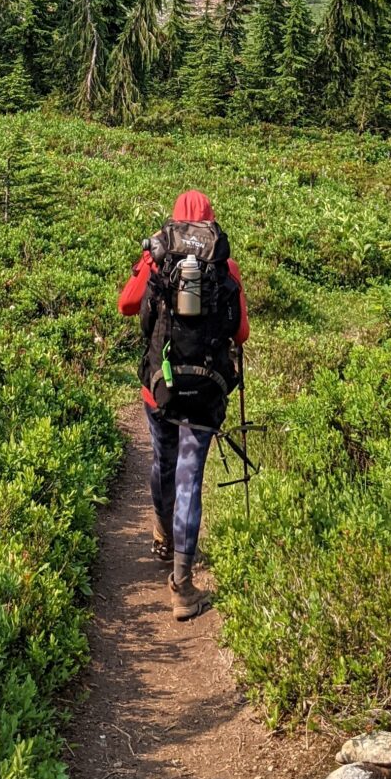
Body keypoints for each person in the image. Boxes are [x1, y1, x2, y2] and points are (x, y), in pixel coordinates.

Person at [119, 188, 249, 619]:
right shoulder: (224, 266)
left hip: (160, 387)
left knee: (163, 461)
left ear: (173, 222)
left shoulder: (158, 257)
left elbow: (127, 304)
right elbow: (242, 333)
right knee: (190, 477)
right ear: (210, 222)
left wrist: (148, 264)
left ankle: (161, 531)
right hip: (207, 389)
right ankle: (182, 586)